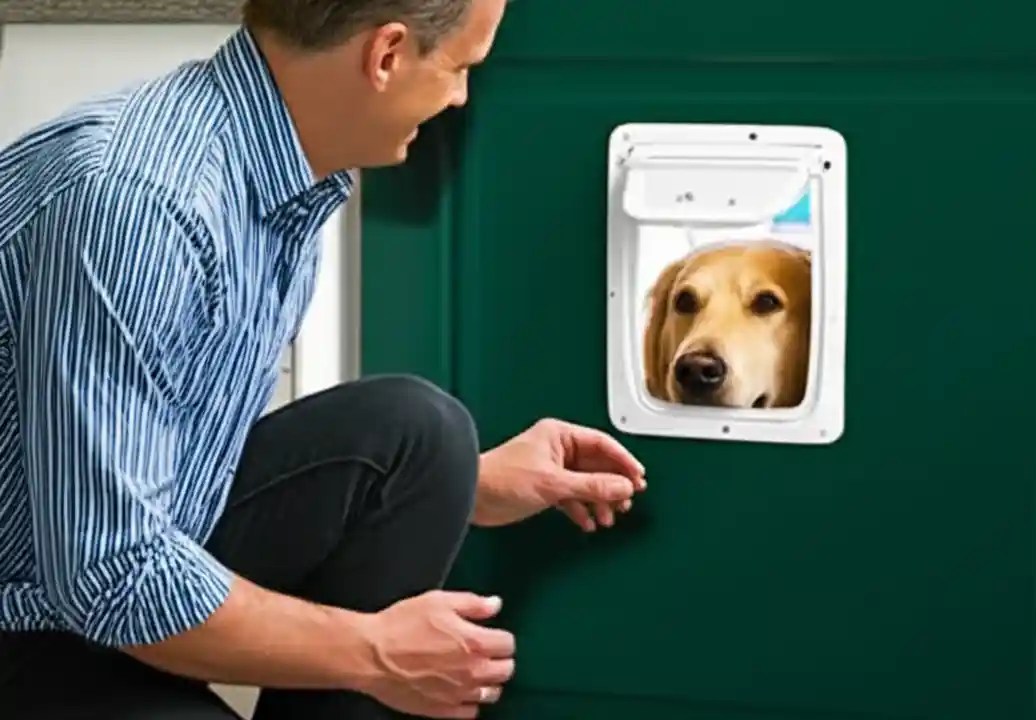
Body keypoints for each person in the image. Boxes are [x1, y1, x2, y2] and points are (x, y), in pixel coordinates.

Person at [0, 0, 647, 717]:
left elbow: (161, 456)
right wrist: (377, 653)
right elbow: (108, 573)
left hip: (87, 558)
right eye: (460, 66)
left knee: (420, 437)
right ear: (387, 54)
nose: (461, 96)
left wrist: (470, 483)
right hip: (31, 618)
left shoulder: (278, 167)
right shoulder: (142, 205)